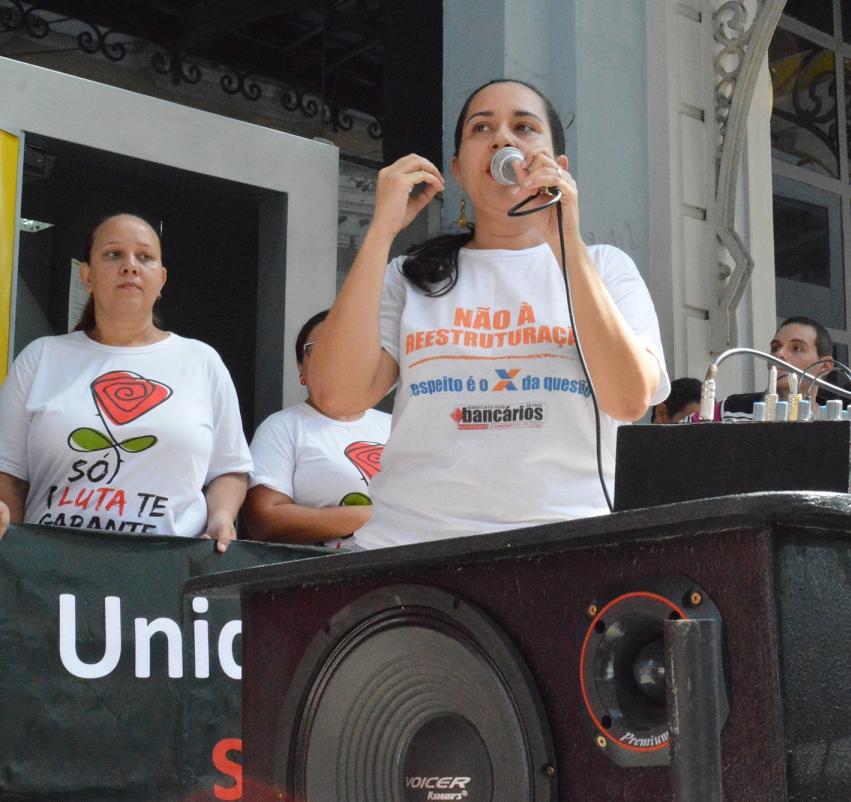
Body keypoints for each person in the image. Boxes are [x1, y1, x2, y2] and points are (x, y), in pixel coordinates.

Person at [307, 79, 668, 547]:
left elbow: (628, 400)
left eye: (524, 126)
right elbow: (337, 396)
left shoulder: (606, 268)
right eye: (482, 128)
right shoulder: (410, 275)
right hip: (409, 552)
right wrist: (382, 229)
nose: (503, 139)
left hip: (567, 550)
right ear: (459, 171)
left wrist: (563, 240)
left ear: (558, 166)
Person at [0, 214, 252, 551]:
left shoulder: (201, 361)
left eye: (145, 257)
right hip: (52, 568)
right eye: (113, 254)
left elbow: (230, 469)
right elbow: (9, 474)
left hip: (166, 569)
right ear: (86, 276)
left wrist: (221, 515)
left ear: (161, 280)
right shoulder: (40, 358)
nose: (130, 266)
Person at [243, 311, 392, 547]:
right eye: (320, 348)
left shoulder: (396, 425)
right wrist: (381, 515)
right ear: (301, 367)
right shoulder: (282, 428)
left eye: (350, 346)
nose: (336, 357)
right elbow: (265, 521)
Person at [696, 316, 835, 421]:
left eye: (797, 348)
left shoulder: (836, 422)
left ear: (824, 367)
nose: (779, 354)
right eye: (775, 348)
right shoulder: (731, 409)